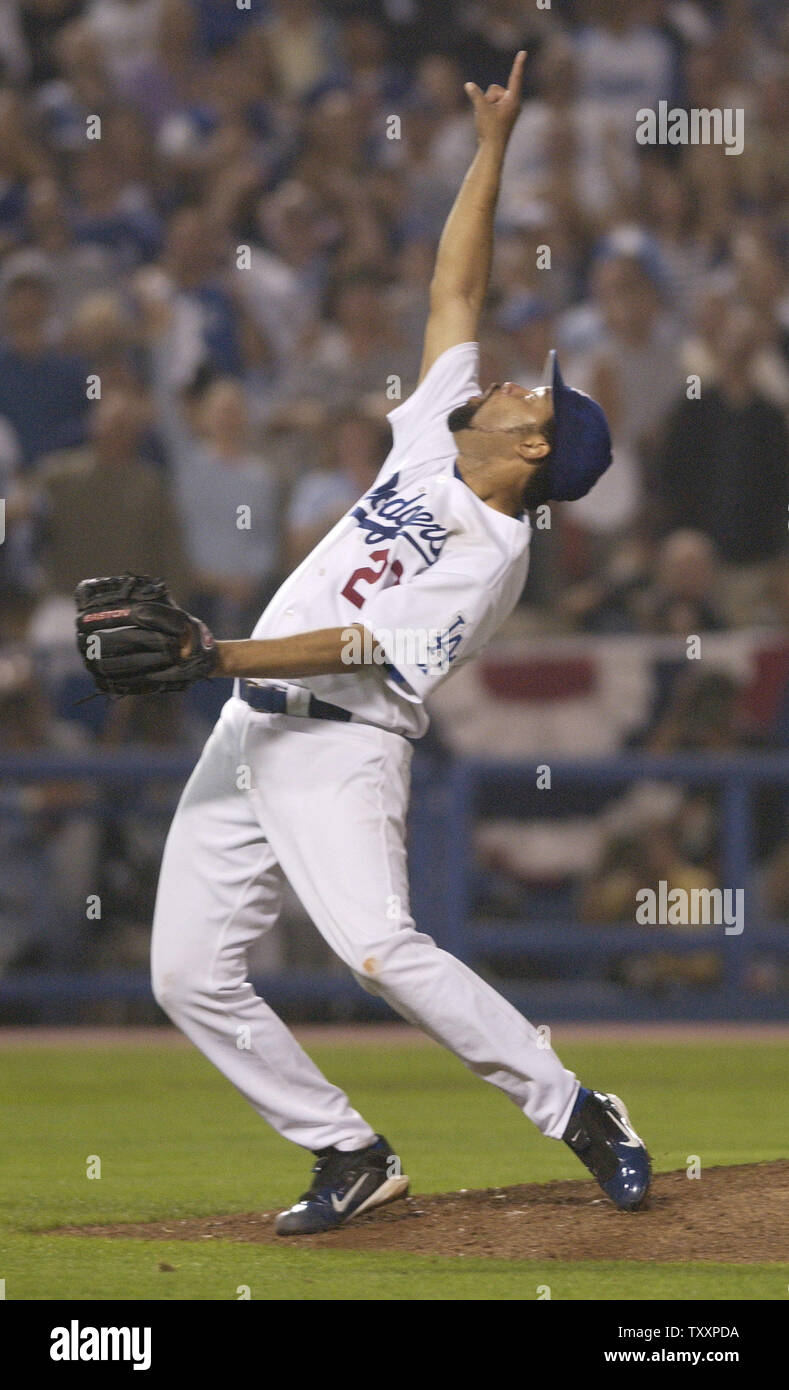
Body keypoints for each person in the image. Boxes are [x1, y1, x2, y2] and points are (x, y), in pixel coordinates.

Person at [141, 54, 651, 1234]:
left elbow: (363, 645)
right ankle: (347, 1149)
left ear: (533, 453)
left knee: (379, 947)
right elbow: (453, 287)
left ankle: (581, 1109)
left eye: (534, 398)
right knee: (184, 973)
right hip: (251, 728)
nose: (515, 382)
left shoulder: (494, 554)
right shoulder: (435, 437)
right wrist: (492, 147)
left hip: (343, 744)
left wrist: (217, 655)